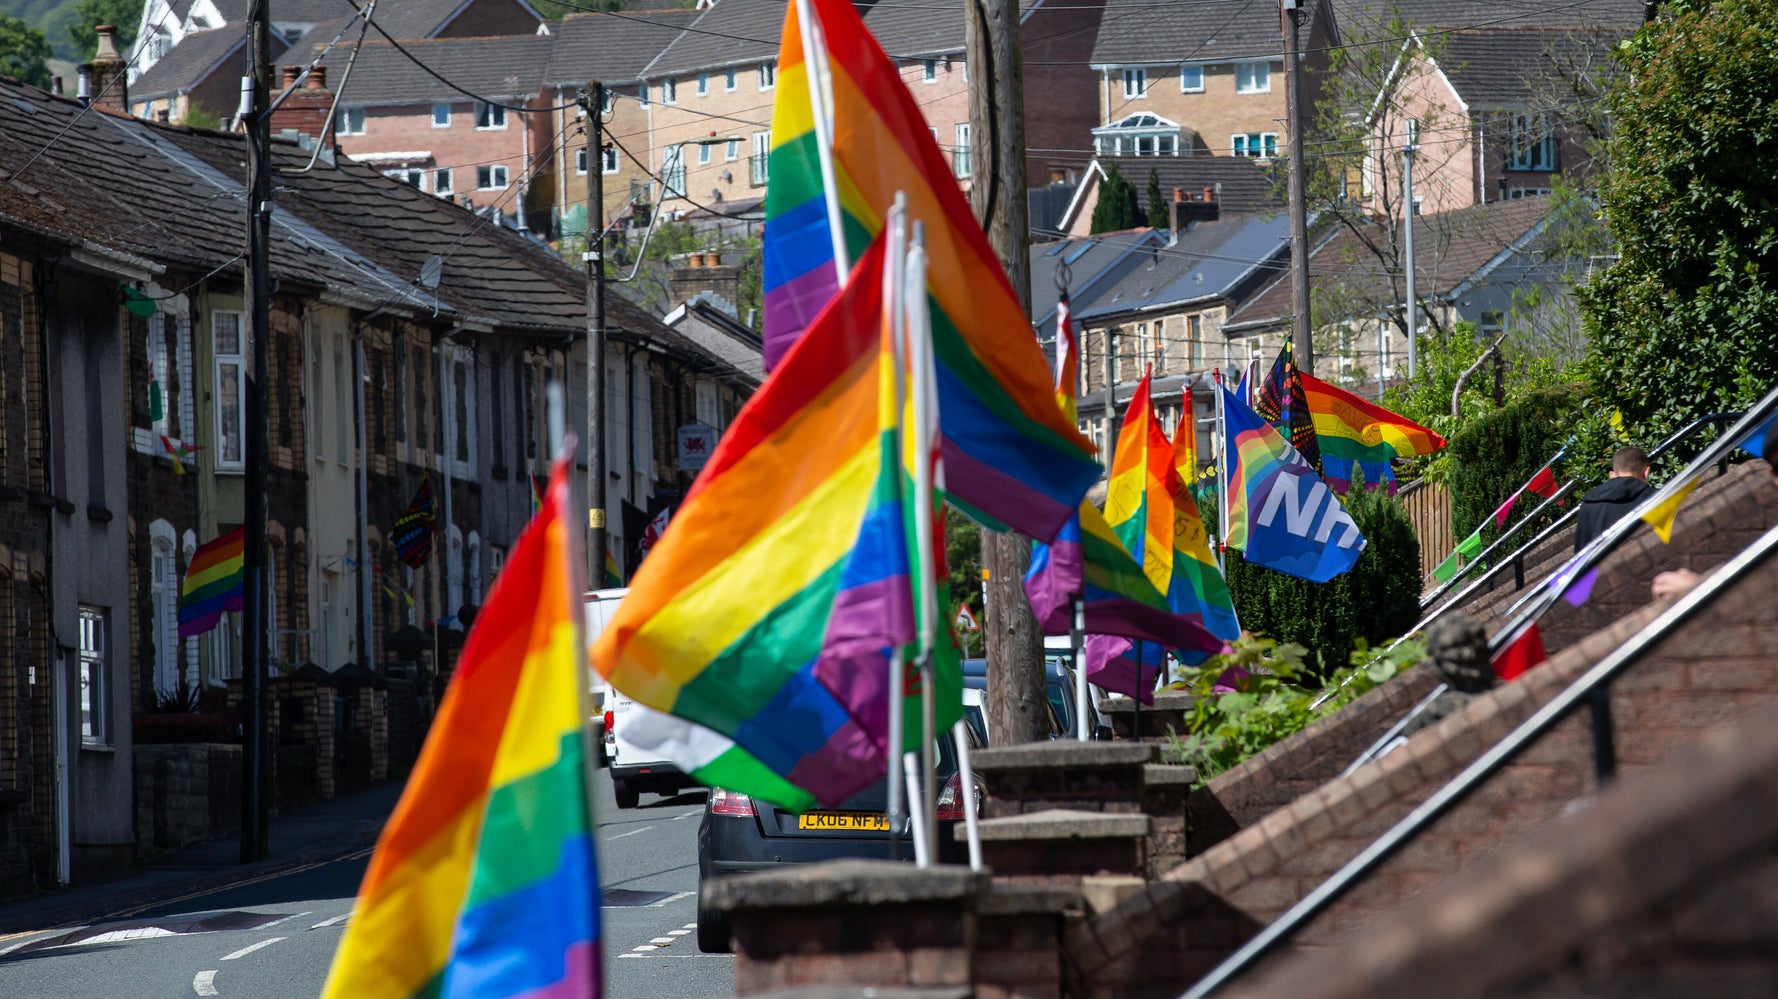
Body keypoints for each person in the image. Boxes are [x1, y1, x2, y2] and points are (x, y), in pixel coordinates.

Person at [1573, 446, 1653, 552]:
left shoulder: (1589, 505)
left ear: (1612, 475)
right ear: (1646, 472)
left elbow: (1581, 555)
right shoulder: (1654, 498)